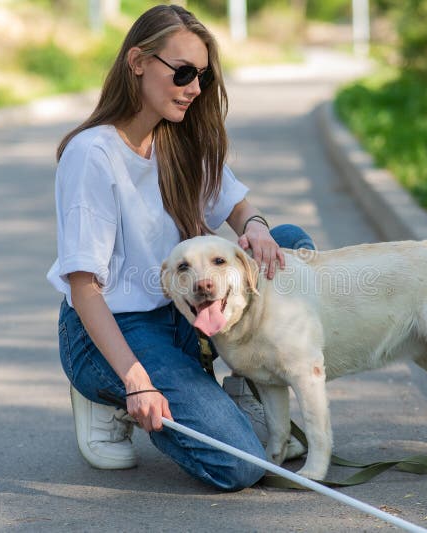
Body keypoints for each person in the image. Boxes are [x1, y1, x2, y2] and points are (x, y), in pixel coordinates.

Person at [47, 4, 314, 491]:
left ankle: (248, 383)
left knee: (289, 243)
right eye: (184, 73)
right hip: (118, 324)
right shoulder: (93, 155)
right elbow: (84, 288)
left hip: (184, 304)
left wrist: (254, 226)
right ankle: (105, 391)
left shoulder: (178, 138)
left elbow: (237, 207)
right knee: (240, 466)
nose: (194, 88)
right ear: (138, 63)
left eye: (203, 77)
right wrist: (137, 380)